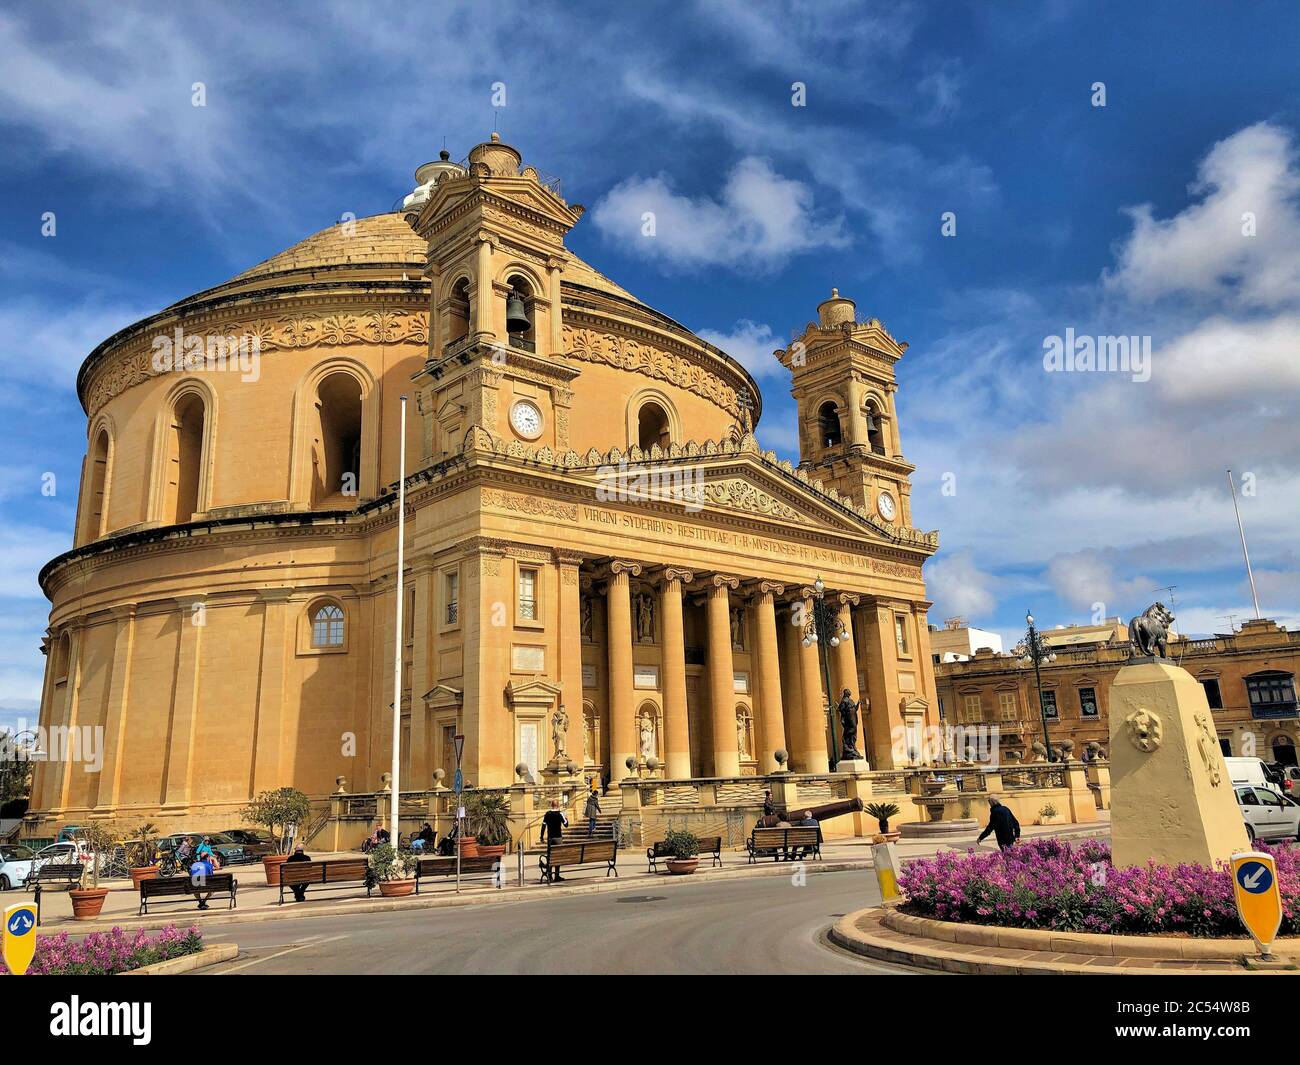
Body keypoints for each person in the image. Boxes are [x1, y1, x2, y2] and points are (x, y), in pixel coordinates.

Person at [540, 799, 569, 881]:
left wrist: (541, 837)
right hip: (558, 837)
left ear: (551, 805)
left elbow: (543, 826)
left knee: (550, 856)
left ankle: (549, 875)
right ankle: (557, 875)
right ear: (558, 805)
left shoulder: (547, 814)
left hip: (550, 838)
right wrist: (566, 818)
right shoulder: (560, 814)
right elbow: (566, 825)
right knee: (558, 856)